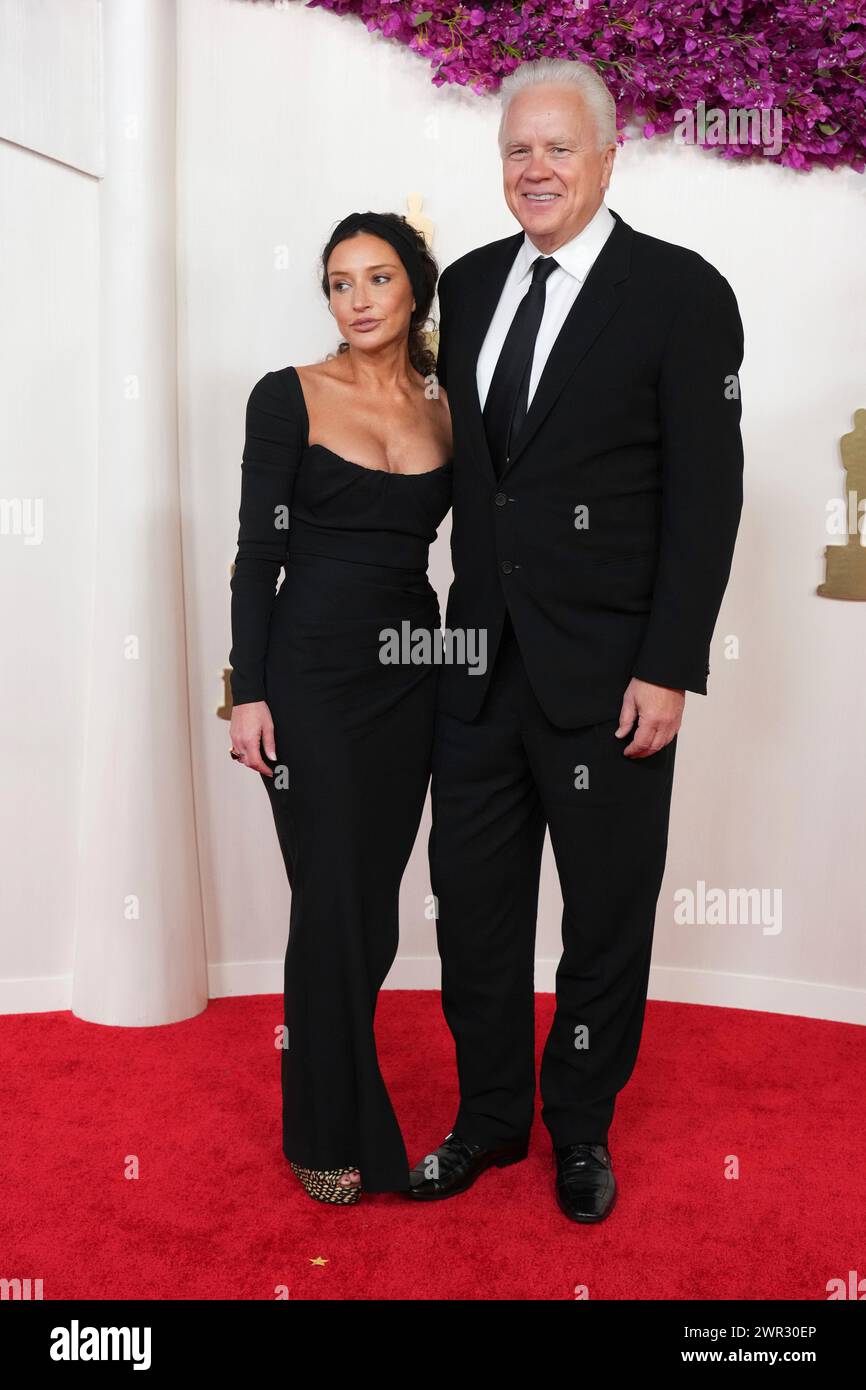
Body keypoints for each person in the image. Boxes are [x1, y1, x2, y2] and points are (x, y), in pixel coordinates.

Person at [408, 58, 744, 1222]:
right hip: (476, 668)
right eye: (514, 150)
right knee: (473, 905)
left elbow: (707, 497)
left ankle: (580, 1126)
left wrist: (668, 664)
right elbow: (463, 480)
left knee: (603, 915)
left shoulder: (679, 293)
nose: (533, 168)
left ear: (608, 156)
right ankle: (490, 1118)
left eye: (556, 148)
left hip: (611, 677)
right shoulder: (466, 283)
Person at [228, 212, 452, 1203]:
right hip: (308, 673)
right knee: (327, 898)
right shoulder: (287, 398)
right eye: (337, 283)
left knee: (369, 904)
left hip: (410, 671)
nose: (355, 299)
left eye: (375, 279)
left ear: (413, 289)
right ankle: (324, 1124)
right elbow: (255, 556)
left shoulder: (450, 408)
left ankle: (329, 1088)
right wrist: (248, 692)